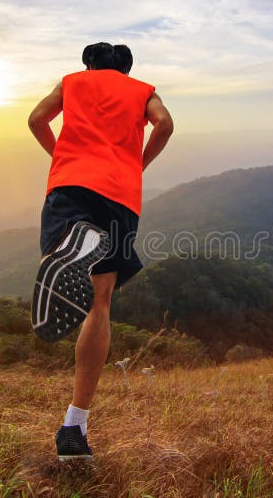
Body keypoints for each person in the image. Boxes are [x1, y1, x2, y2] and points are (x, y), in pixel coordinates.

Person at [27, 42, 173, 460]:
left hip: (71, 183)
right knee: (100, 303)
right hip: (119, 195)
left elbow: (37, 119)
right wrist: (137, 164)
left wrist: (63, 157)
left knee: (61, 247)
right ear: (126, 70)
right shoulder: (143, 91)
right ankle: (74, 427)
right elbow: (165, 125)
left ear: (89, 64)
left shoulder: (73, 82)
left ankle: (72, 239)